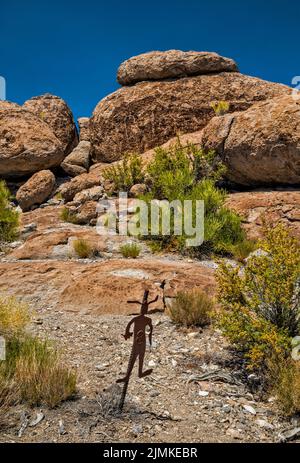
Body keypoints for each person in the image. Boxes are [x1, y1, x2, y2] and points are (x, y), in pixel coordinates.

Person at [116, 290, 158, 383]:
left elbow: (150, 330)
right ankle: (127, 376)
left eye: (145, 308)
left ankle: (139, 373)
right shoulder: (137, 319)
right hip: (137, 342)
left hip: (142, 341)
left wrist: (150, 340)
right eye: (143, 308)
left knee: (141, 357)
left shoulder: (147, 320)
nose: (144, 310)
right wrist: (127, 333)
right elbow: (129, 324)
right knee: (133, 358)